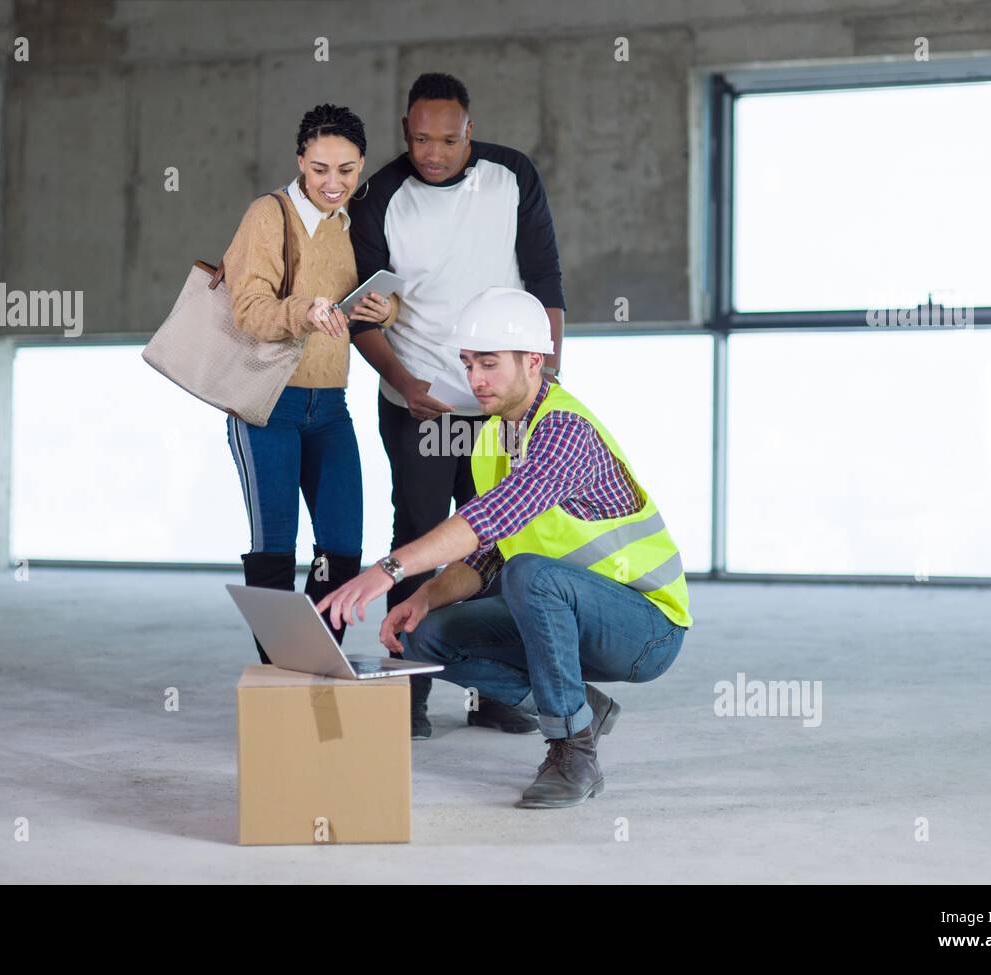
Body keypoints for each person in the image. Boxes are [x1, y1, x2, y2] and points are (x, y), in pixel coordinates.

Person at [317, 287, 693, 809]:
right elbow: (485, 551)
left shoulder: (564, 429)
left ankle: (573, 752)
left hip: (646, 628)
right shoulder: (494, 437)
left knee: (530, 576)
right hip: (570, 610)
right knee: (428, 636)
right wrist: (422, 598)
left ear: (533, 361)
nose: (475, 380)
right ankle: (584, 708)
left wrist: (388, 568)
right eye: (469, 364)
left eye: (489, 364)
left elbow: (491, 516)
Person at [347, 72, 567, 739]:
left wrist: (547, 378)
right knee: (416, 537)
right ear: (405, 132)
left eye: (447, 138)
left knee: (499, 544)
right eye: (420, 139)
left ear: (469, 129)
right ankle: (405, 691)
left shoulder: (511, 176)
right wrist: (404, 381)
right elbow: (361, 314)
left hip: (500, 407)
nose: (434, 152)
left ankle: (491, 691)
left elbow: (545, 279)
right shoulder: (382, 195)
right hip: (421, 402)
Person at [213, 104, 398, 658]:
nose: (333, 182)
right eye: (319, 168)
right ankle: (281, 676)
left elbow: (356, 310)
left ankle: (317, 662)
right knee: (274, 548)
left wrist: (381, 310)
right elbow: (249, 310)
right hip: (266, 405)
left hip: (330, 406)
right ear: (300, 162)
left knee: (341, 546)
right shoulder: (269, 216)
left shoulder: (348, 225)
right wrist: (305, 311)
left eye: (346, 170)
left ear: (361, 166)